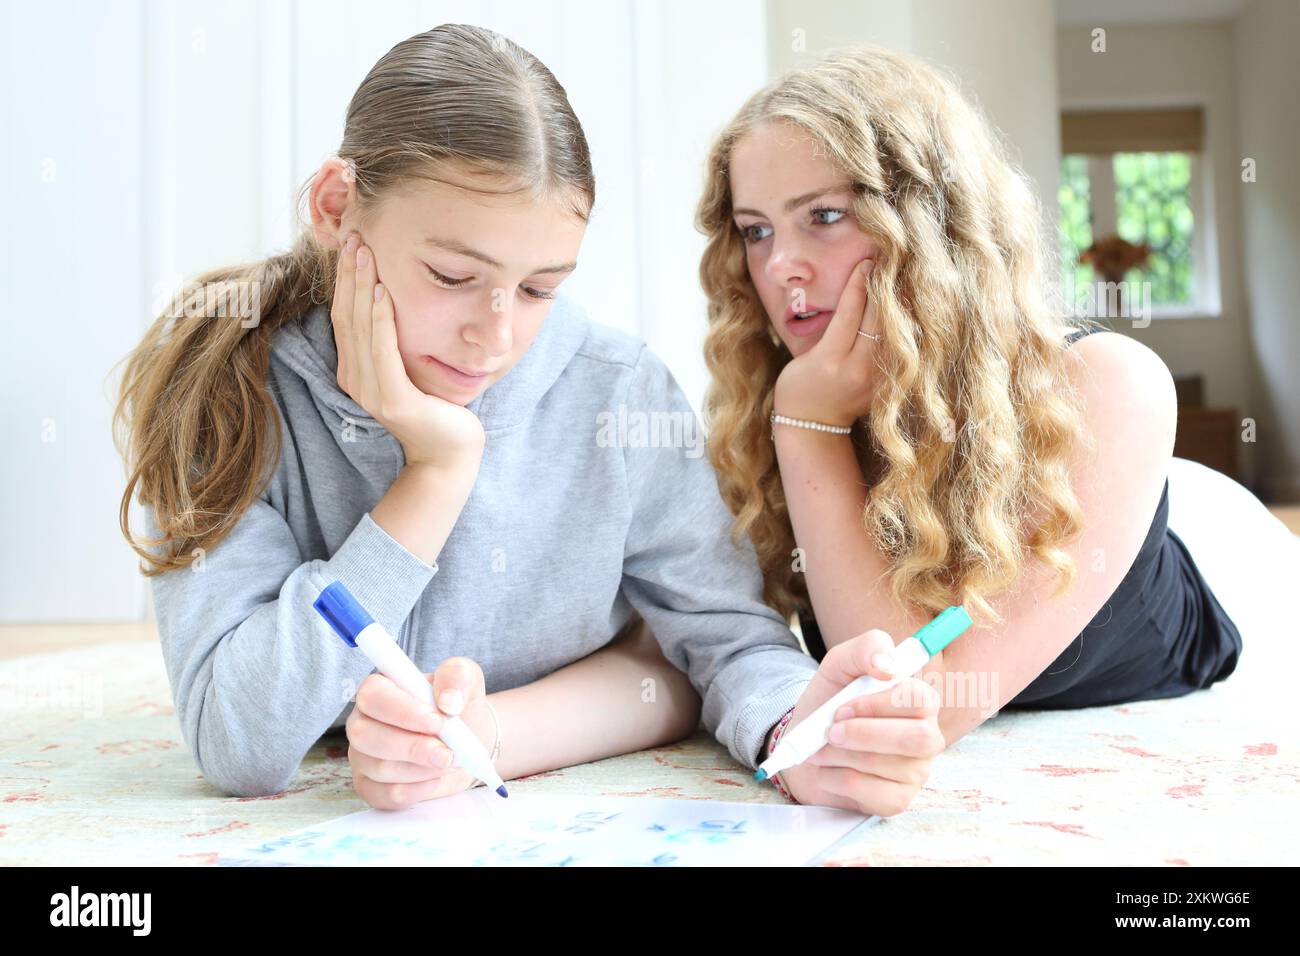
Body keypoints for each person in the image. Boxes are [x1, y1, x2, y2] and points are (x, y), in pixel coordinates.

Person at [113, 25, 941, 817]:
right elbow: (237, 740)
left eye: (541, 287)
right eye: (451, 275)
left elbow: (727, 638)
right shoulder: (224, 393)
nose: (496, 334)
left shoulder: (617, 391)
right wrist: (432, 476)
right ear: (336, 208)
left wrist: (800, 733)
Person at [695, 45, 1243, 754]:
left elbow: (912, 705)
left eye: (824, 216)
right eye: (756, 230)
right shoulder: (772, 394)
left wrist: (806, 429)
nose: (780, 265)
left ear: (930, 223)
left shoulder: (1110, 383)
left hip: (1174, 615)